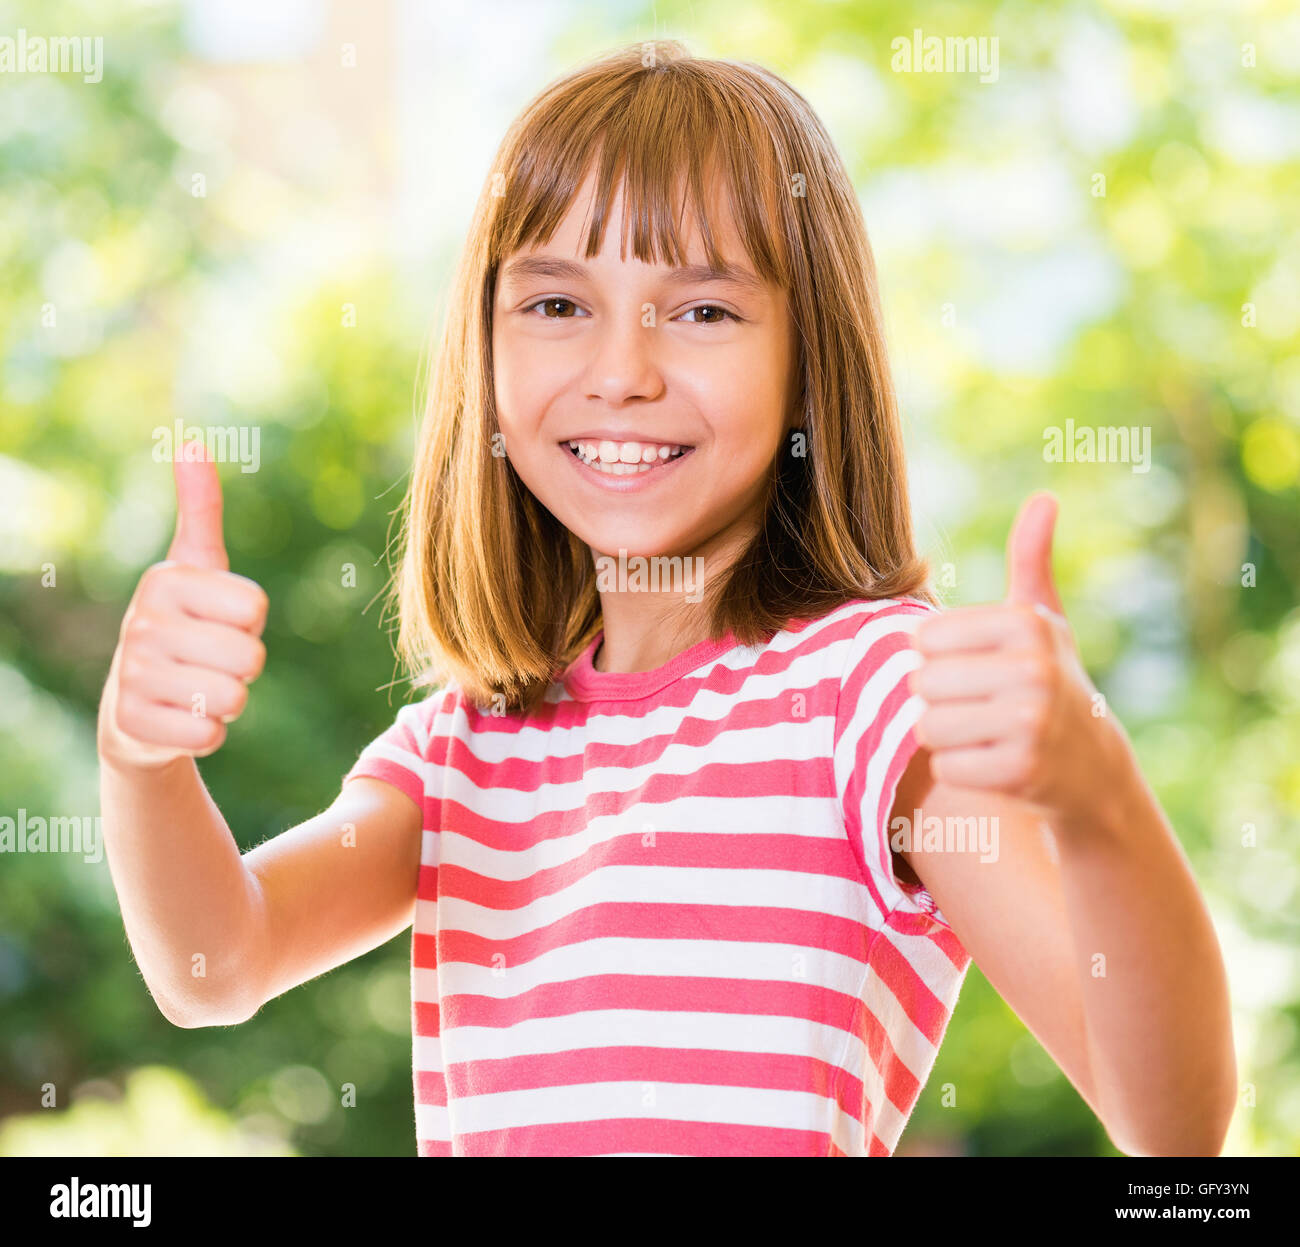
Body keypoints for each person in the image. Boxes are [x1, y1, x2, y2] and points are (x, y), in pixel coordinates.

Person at [97, 40, 1236, 1157]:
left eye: (702, 311)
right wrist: (142, 758)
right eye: (555, 305)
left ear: (809, 357)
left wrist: (1099, 805)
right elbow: (214, 966)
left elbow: (1169, 1124)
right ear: (483, 358)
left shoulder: (874, 694)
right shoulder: (462, 748)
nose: (621, 370)